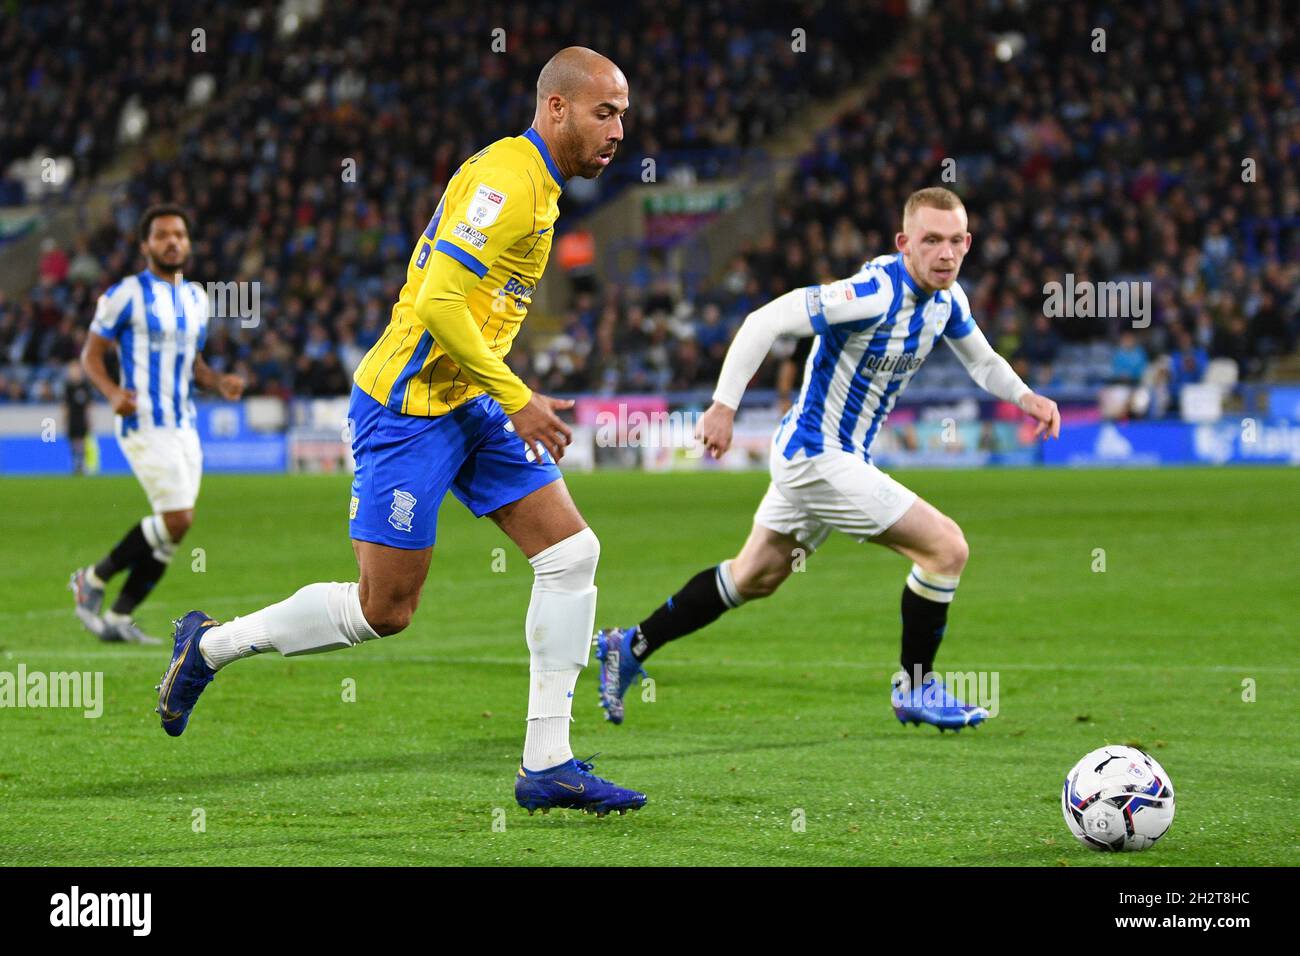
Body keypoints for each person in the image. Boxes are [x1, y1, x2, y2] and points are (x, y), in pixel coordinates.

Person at [157, 48, 646, 818]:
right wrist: (518, 396)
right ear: (556, 108)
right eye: (604, 112)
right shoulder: (507, 183)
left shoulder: (539, 186)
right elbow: (442, 306)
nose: (620, 129)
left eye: (622, 113)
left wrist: (497, 396)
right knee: (386, 610)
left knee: (571, 552)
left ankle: (547, 762)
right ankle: (211, 645)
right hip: (408, 410)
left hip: (468, 400)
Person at [595, 187, 1061, 731]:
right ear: (904, 243)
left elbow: (982, 362)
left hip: (824, 458)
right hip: (819, 456)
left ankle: (629, 644)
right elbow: (762, 322)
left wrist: (1026, 396)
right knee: (946, 549)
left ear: (969, 243)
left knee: (753, 578)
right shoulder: (869, 293)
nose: (945, 253)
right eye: (931, 240)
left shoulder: (947, 301)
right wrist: (723, 407)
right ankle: (915, 686)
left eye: (956, 241)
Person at [70, 204, 245, 644]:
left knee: (172, 532)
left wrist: (217, 381)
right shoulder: (125, 294)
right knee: (177, 518)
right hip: (144, 421)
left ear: (188, 243)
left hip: (185, 424)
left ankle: (117, 617)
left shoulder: (196, 299)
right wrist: (112, 393)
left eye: (180, 235)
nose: (173, 242)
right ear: (145, 244)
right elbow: (90, 355)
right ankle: (91, 578)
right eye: (163, 235)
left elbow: (194, 365)